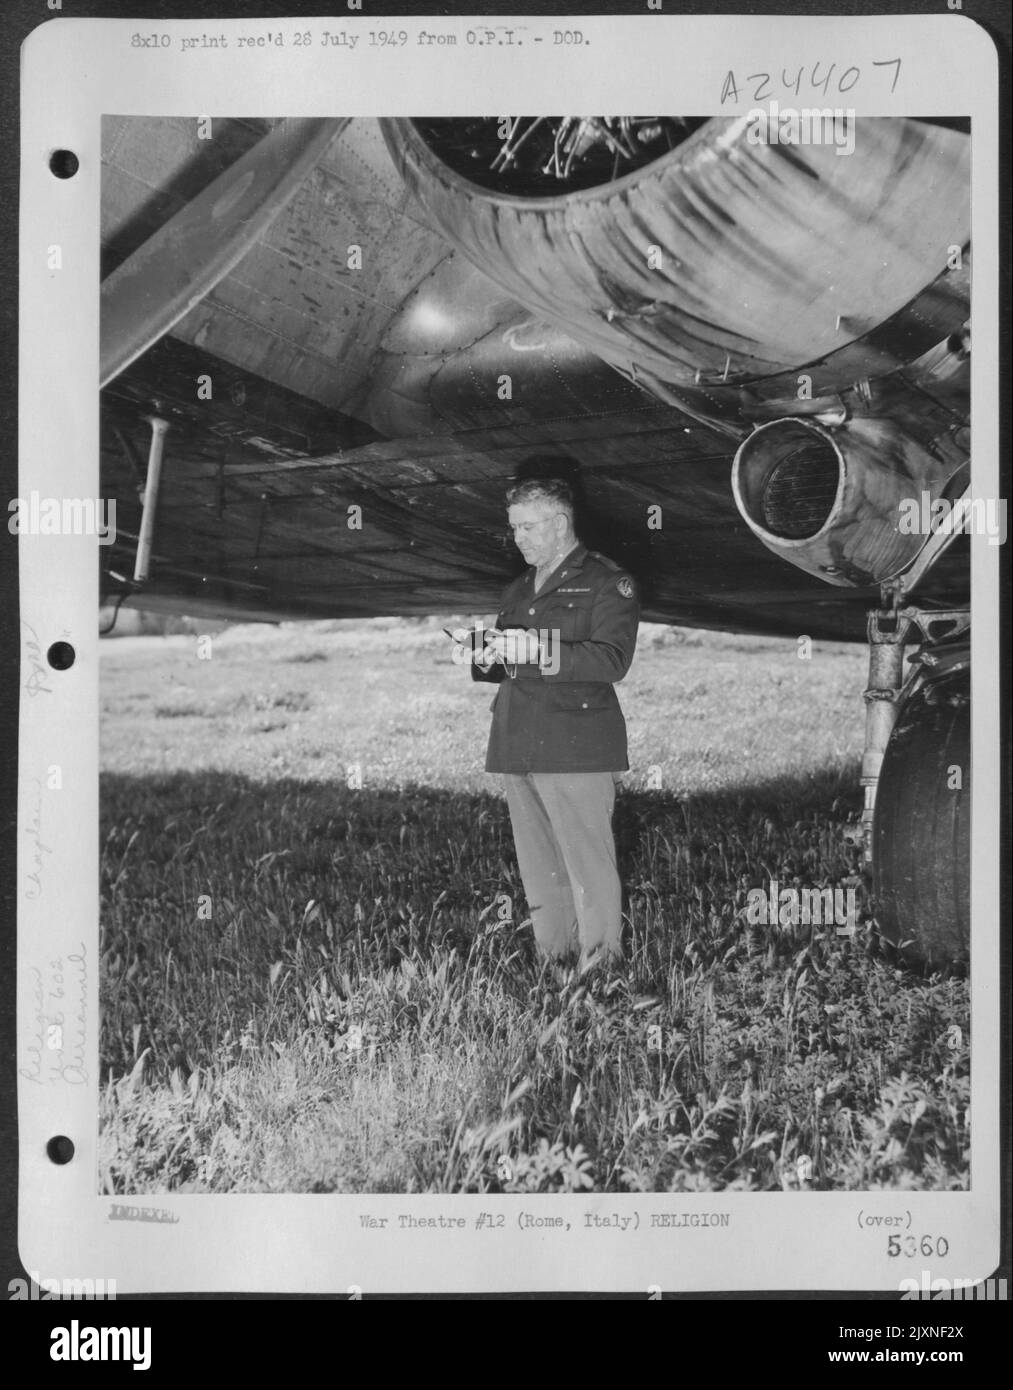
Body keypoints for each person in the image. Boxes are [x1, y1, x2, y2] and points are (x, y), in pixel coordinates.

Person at [461, 477, 639, 967]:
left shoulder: (608, 582)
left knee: (587, 863)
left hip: (575, 742)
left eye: (528, 526)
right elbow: (505, 661)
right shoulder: (518, 587)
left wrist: (536, 650)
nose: (518, 537)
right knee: (539, 864)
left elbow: (612, 660)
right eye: (514, 528)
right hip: (518, 738)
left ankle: (602, 968)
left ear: (560, 523)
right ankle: (555, 960)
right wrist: (479, 653)